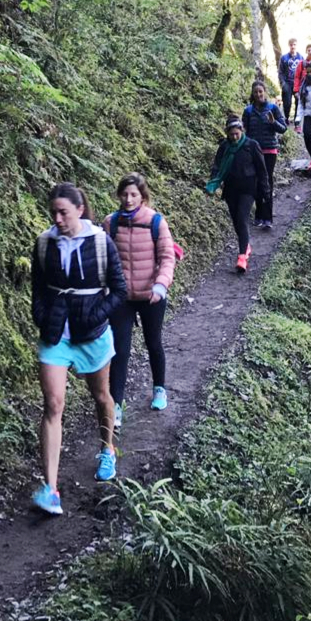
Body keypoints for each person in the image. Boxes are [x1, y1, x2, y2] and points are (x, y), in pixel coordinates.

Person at [31, 183, 128, 514]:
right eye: (53, 212)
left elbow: (118, 289)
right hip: (56, 333)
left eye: (64, 212)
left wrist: (96, 314)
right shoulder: (44, 243)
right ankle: (51, 488)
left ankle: (107, 449)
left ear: (80, 210)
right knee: (53, 405)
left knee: (101, 397)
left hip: (93, 333)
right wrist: (42, 316)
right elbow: (38, 289)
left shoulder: (101, 242)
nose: (57, 218)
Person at [104, 173, 176, 429]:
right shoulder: (111, 223)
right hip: (121, 297)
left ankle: (159, 388)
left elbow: (168, 256)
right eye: (124, 194)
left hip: (151, 295)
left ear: (143, 197)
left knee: (153, 342)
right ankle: (117, 405)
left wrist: (161, 284)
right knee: (119, 351)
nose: (128, 199)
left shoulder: (156, 222)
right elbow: (106, 259)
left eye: (134, 194)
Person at [205, 115, 269, 272]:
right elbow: (217, 166)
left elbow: (262, 170)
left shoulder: (252, 145)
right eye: (231, 134)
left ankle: (242, 257)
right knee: (236, 221)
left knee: (242, 218)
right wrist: (213, 181)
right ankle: (245, 246)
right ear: (227, 133)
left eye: (237, 134)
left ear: (242, 131)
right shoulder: (224, 147)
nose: (234, 137)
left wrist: (265, 190)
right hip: (230, 189)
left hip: (248, 189)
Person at [242, 80, 287, 230]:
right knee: (255, 183)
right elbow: (244, 132)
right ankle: (258, 216)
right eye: (256, 92)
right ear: (253, 94)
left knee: (266, 183)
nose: (258, 94)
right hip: (254, 152)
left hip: (269, 151)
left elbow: (283, 128)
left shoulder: (273, 108)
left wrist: (273, 122)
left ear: (265, 92)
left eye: (260, 92)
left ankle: (267, 218)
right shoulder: (248, 111)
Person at [293, 43, 311, 128]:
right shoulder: (302, 63)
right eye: (309, 50)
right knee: (300, 106)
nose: (310, 52)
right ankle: (298, 126)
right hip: (303, 88)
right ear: (306, 51)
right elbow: (297, 77)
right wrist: (296, 90)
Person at [278, 38, 303, 122]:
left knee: (298, 102)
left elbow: (304, 72)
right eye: (291, 45)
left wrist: (302, 84)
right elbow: (280, 71)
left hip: (297, 83)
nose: (293, 46)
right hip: (287, 83)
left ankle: (297, 119)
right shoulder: (284, 58)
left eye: (294, 45)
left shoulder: (301, 58)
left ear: (297, 45)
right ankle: (286, 118)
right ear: (289, 45)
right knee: (287, 102)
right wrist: (283, 83)